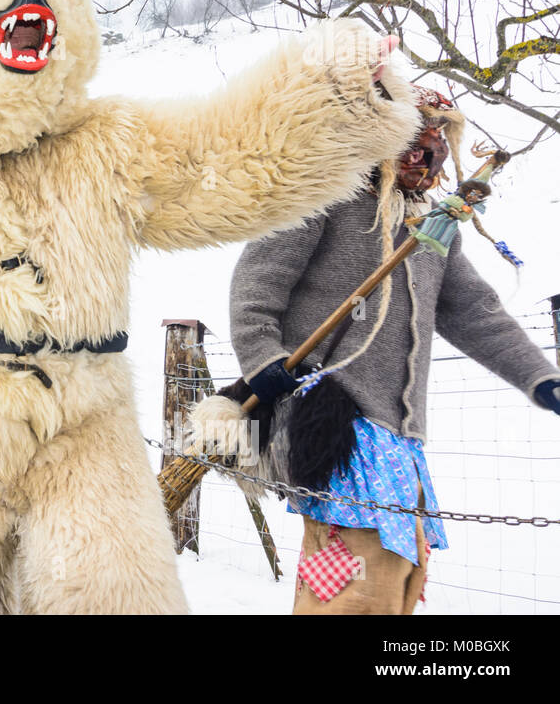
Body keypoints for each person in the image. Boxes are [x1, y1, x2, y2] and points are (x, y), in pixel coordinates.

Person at [222, 88, 560, 614]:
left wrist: (540, 378)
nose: (430, 161)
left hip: (400, 437)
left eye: (440, 149)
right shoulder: (323, 197)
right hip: (332, 420)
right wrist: (263, 360)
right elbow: (257, 288)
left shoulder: (431, 226)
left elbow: (474, 312)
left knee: (402, 575)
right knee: (357, 583)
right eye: (416, 147)